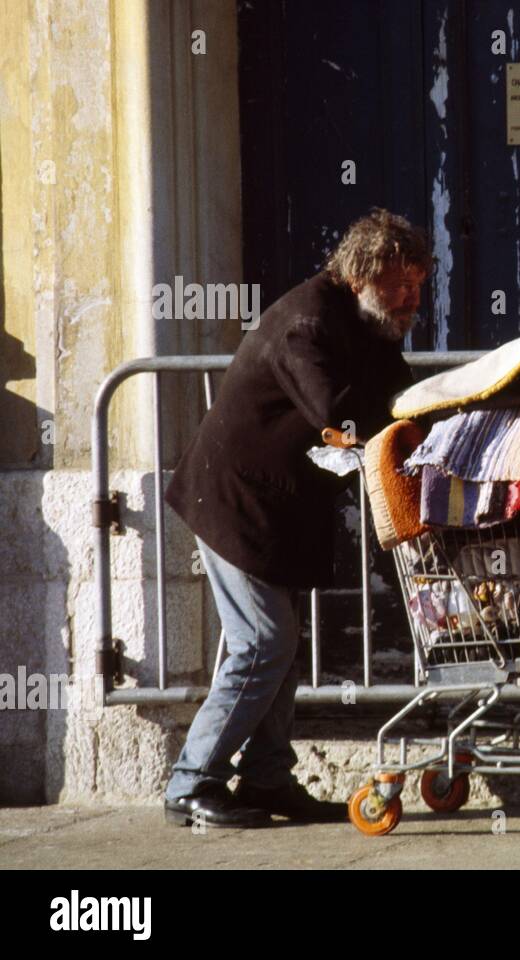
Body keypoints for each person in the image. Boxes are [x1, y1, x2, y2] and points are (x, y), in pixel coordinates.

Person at [162, 209, 432, 827]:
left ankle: (265, 778)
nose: (412, 298)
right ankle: (190, 781)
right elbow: (335, 410)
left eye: (418, 283)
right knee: (265, 641)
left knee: (280, 643)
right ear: (361, 274)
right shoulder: (306, 323)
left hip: (281, 504)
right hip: (235, 500)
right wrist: (397, 433)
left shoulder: (372, 324)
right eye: (399, 284)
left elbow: (401, 398)